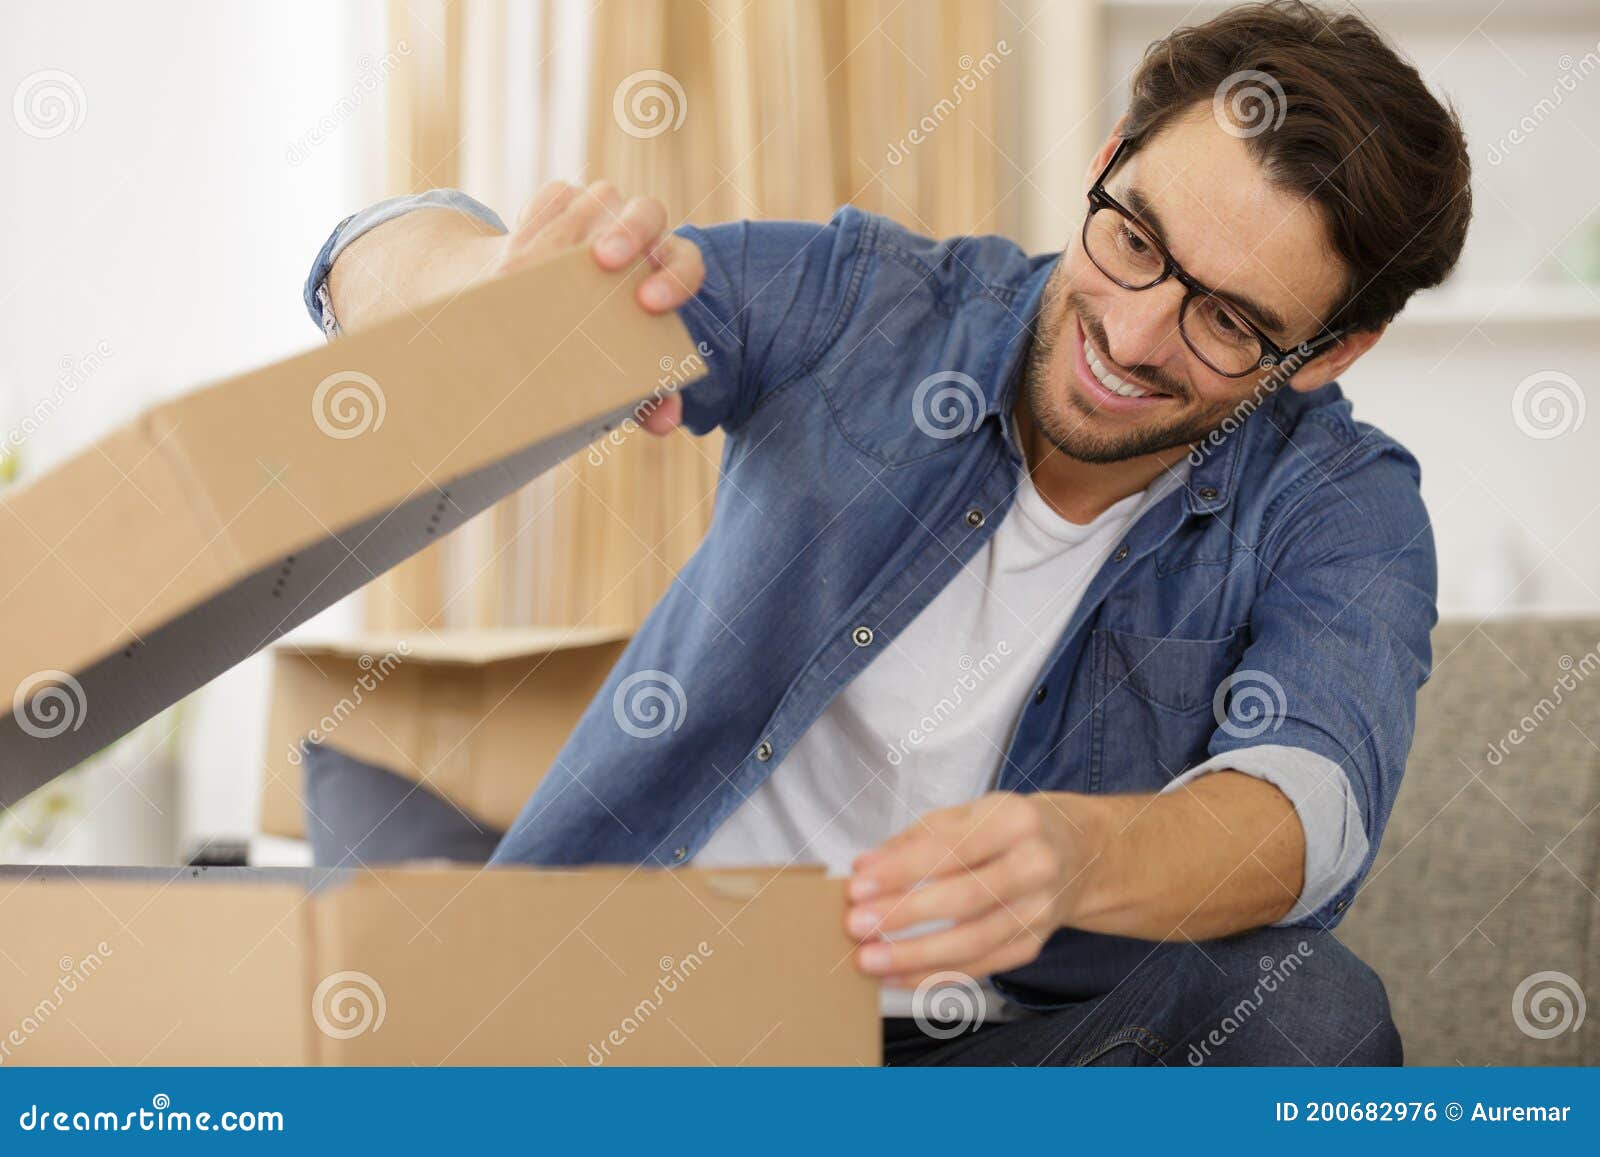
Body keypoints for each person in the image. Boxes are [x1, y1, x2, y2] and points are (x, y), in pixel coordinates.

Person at [303, 0, 1471, 1065]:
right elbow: (371, 255)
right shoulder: (867, 308)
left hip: (998, 1057)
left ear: (1327, 353)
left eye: (1225, 322)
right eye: (1132, 240)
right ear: (1106, 159)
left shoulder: (1339, 503)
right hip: (643, 1013)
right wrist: (492, 279)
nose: (1131, 335)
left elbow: (1305, 798)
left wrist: (1083, 856)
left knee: (1310, 1010)